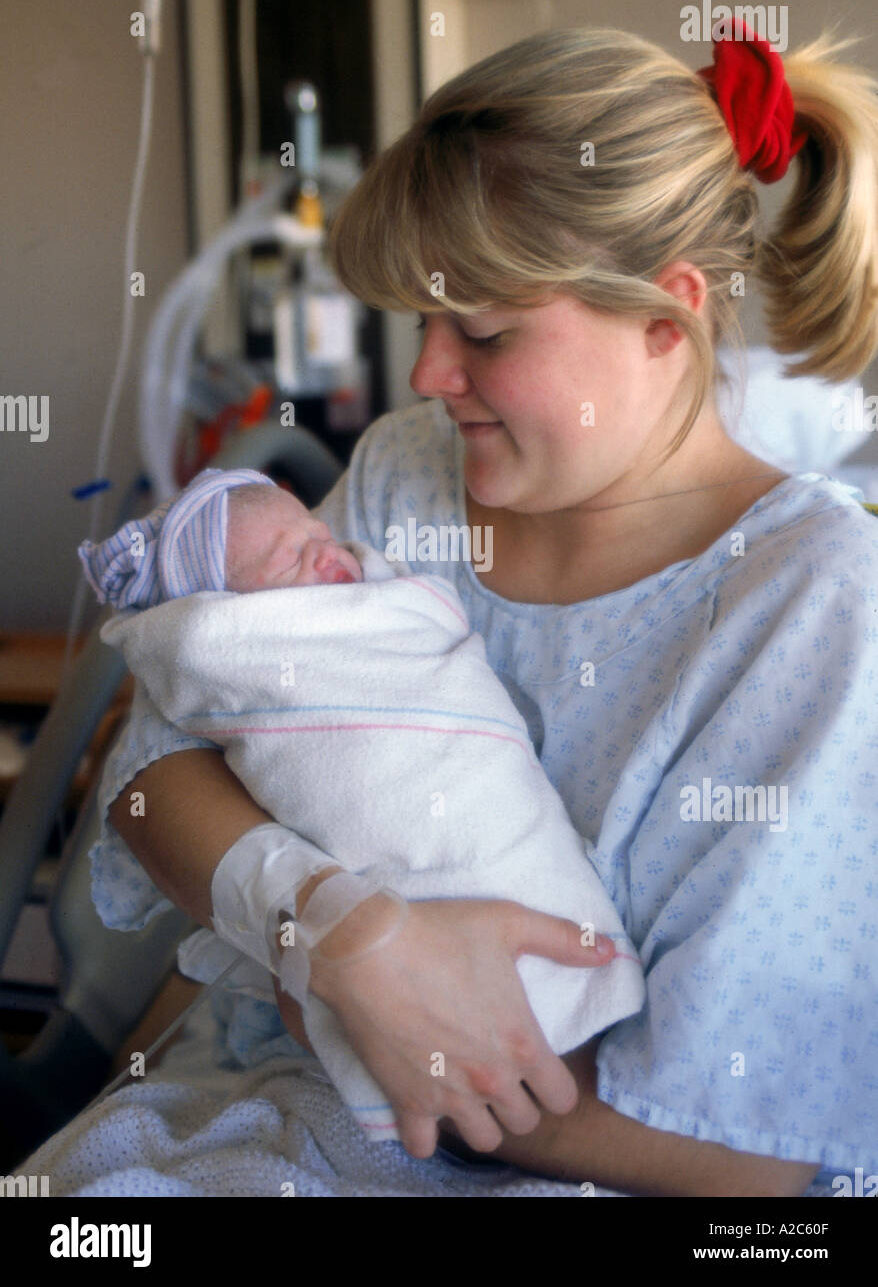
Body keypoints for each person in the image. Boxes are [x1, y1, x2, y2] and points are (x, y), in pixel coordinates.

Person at [22, 18, 878, 1197]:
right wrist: (331, 933)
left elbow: (754, 1161)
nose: (426, 374)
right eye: (421, 324)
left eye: (481, 331)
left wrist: (389, 1022)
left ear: (664, 317)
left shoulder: (811, 609)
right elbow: (148, 779)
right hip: (279, 1111)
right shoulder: (409, 472)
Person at [76, 467, 643, 1144]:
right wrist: (322, 924)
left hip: (581, 1105)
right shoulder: (394, 467)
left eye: (317, 534)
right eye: (288, 558)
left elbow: (744, 1172)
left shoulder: (787, 588)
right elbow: (152, 756)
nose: (327, 550)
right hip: (318, 1067)